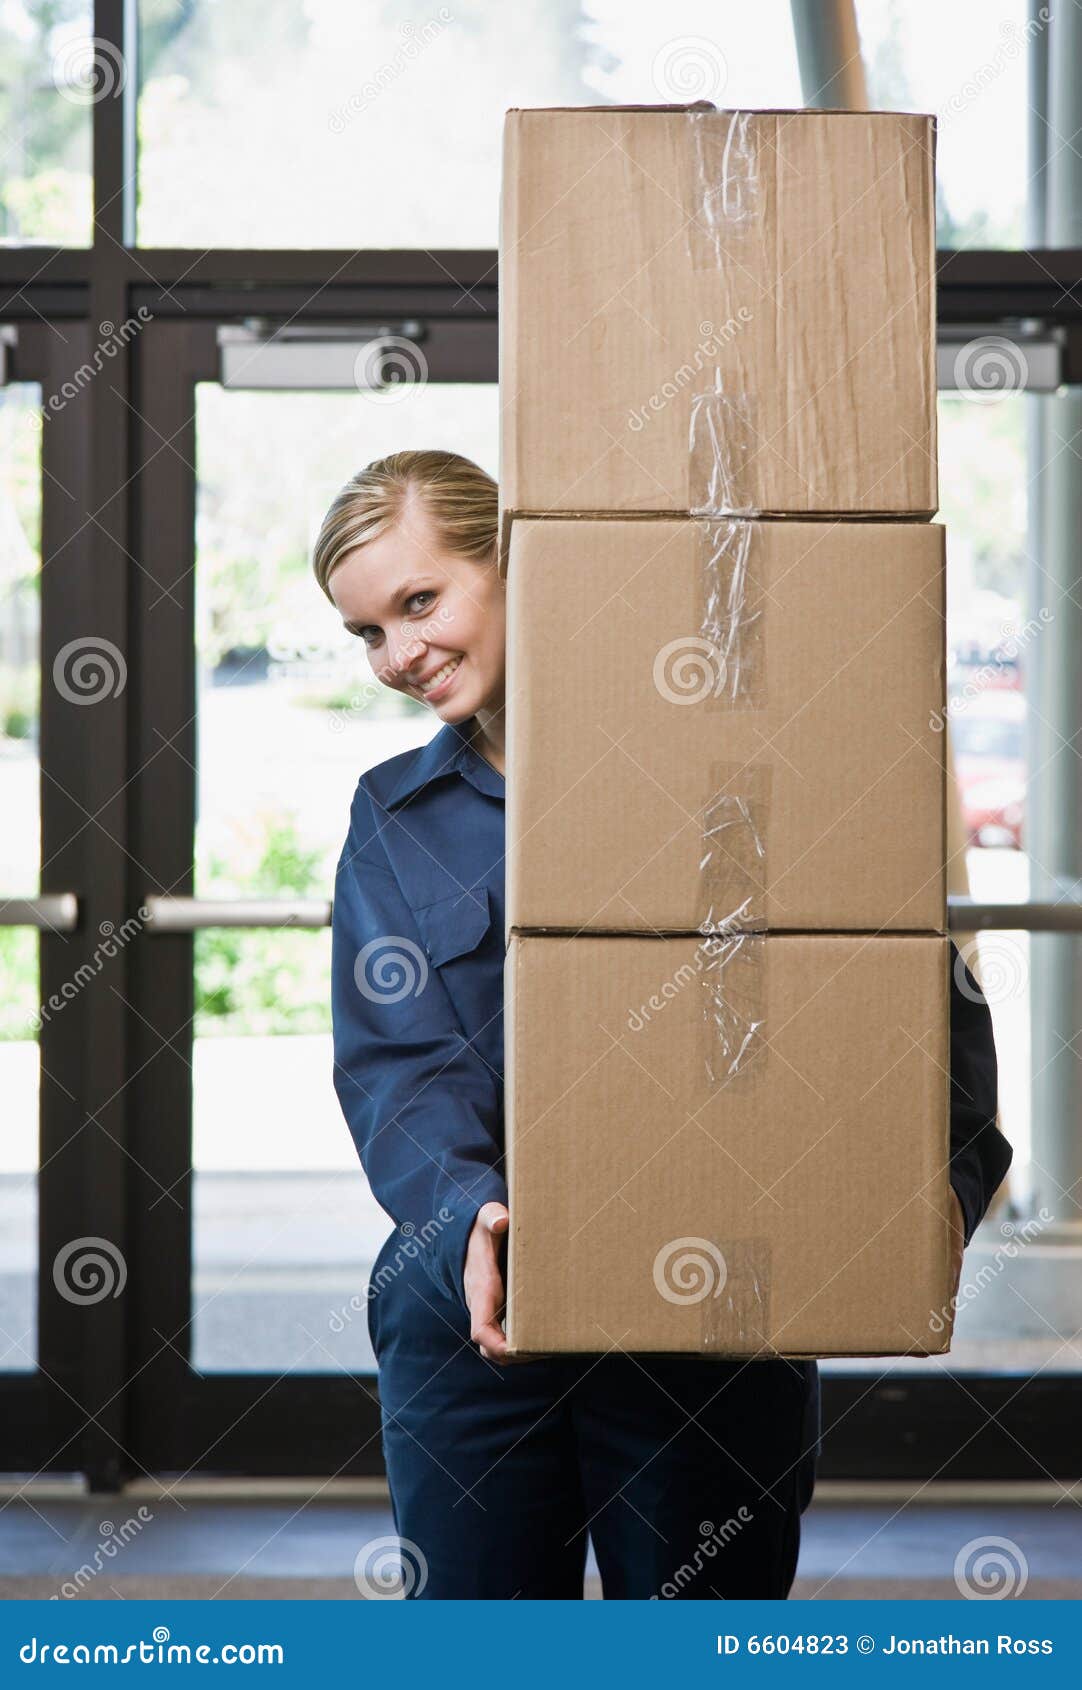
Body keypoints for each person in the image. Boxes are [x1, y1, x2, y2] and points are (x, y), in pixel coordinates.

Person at [312, 448, 1013, 1601]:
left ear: (522, 560)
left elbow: (902, 976)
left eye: (419, 601)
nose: (398, 655)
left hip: (714, 1305)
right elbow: (396, 1059)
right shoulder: (398, 816)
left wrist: (936, 1177)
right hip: (483, 1300)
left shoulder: (742, 768)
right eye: (367, 632)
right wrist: (464, 1215)